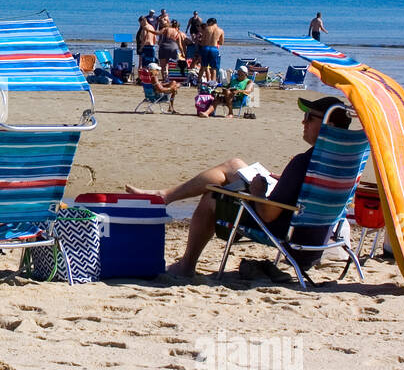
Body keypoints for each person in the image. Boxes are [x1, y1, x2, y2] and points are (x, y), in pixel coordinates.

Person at [125, 95, 352, 276]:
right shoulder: (343, 162)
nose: (303, 122)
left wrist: (258, 191)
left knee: (213, 196)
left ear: (328, 125)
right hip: (317, 232)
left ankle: (186, 265)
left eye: (310, 118)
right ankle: (164, 195)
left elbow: (268, 214)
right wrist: (286, 181)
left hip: (287, 230)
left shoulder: (303, 163)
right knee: (234, 165)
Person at [199, 17, 224, 84]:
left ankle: (198, 81)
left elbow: (202, 41)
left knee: (203, 66)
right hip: (214, 48)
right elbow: (221, 43)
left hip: (206, 48)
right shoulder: (221, 30)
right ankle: (212, 82)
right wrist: (215, 41)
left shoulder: (207, 29)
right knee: (213, 68)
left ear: (211, 23)